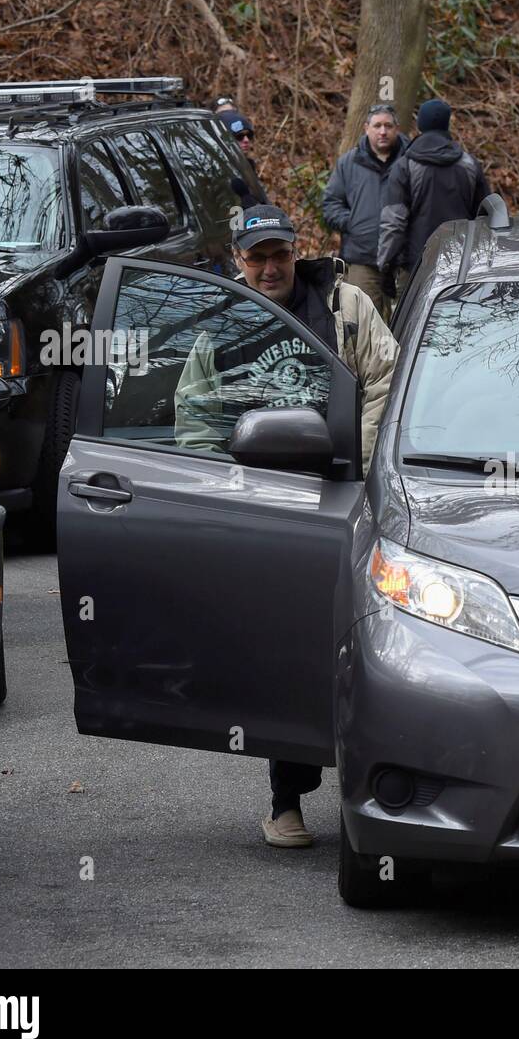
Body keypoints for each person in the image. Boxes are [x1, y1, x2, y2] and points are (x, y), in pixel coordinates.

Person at [174, 205, 401, 847]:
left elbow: (388, 377)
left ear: (294, 250)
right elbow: (195, 413)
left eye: (278, 253)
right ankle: (286, 802)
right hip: (266, 506)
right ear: (238, 261)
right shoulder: (221, 322)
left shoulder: (345, 303)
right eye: (256, 257)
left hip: (348, 494)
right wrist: (222, 487)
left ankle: (380, 791)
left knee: (364, 642)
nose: (270, 267)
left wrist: (350, 456)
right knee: (285, 648)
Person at [377, 98, 490, 303]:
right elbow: (486, 217)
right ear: (447, 124)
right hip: (462, 267)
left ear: (420, 125)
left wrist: (386, 266)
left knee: (411, 332)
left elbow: (394, 223)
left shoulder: (405, 166)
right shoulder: (470, 164)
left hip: (416, 269)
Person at [323, 103, 410, 320]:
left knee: (408, 323)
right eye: (377, 125)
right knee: (363, 324)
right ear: (366, 128)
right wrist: (352, 223)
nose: (383, 131)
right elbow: (331, 204)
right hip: (363, 258)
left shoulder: (412, 161)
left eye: (388, 126)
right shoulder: (348, 163)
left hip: (405, 260)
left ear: (396, 129)